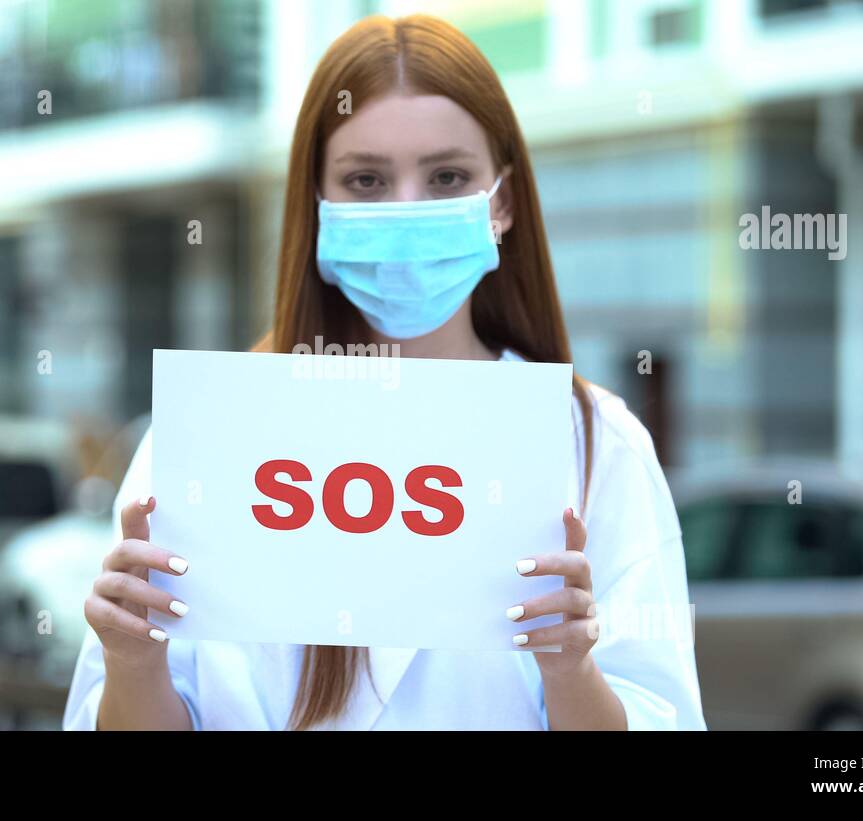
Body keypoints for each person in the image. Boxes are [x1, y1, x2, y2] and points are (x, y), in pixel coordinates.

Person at [65, 14, 705, 731]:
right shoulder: (208, 435)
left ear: (503, 202)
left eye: (446, 177)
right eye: (365, 179)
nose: (406, 212)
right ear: (316, 204)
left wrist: (570, 671)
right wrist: (131, 660)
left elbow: (661, 714)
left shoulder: (598, 448)